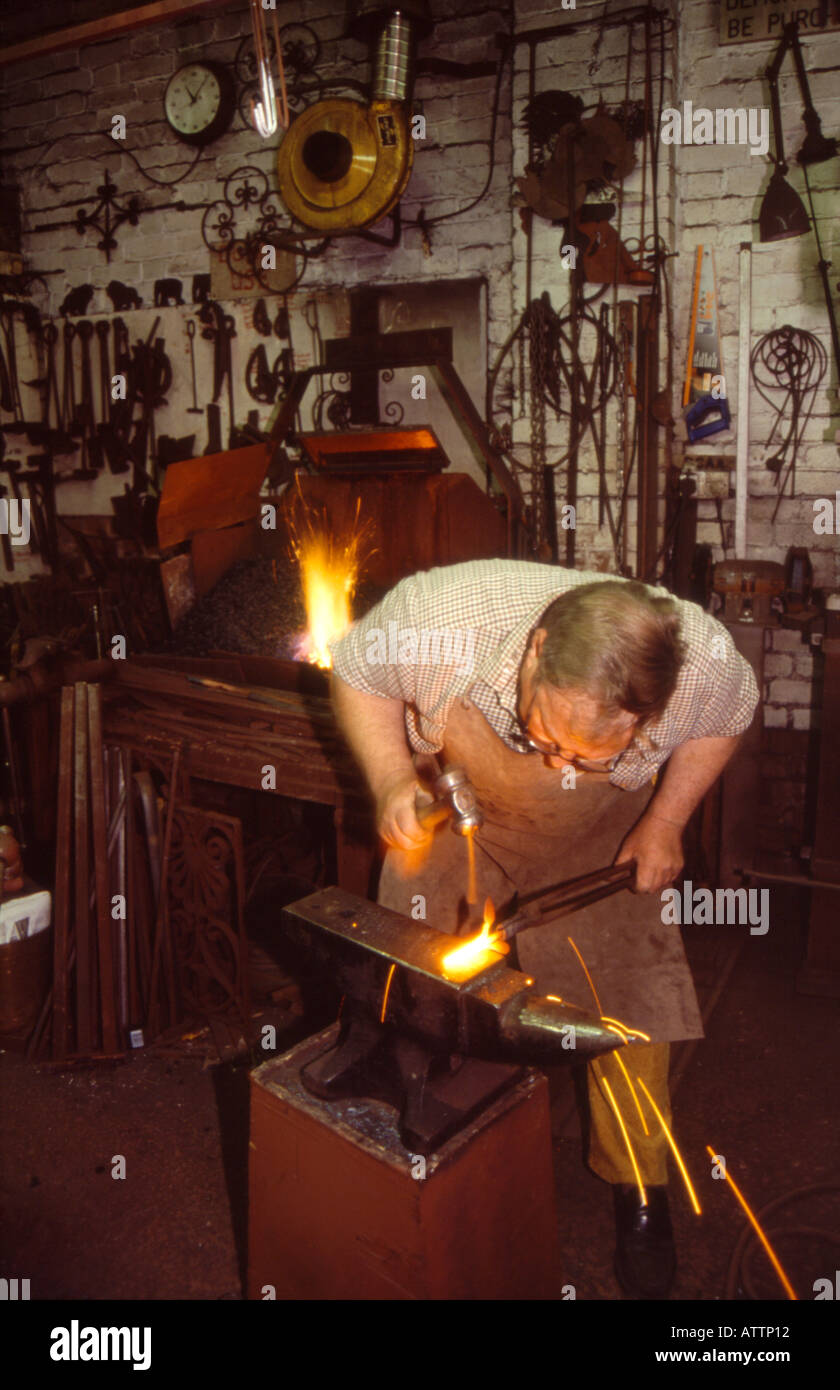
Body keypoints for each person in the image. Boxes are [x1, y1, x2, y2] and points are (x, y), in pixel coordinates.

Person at [330, 559, 759, 1298]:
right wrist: (392, 777)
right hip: (457, 806)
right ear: (535, 649)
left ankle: (642, 1195)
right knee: (405, 965)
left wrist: (664, 822)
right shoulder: (443, 614)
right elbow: (356, 668)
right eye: (547, 735)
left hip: (599, 830)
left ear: (646, 716)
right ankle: (396, 1128)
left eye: (584, 754)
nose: (558, 761)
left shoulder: (705, 663)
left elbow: (730, 717)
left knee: (632, 1007)